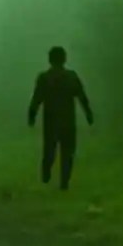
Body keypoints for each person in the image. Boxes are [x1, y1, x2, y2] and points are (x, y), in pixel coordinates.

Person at [28, 46, 94, 191]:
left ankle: (46, 172)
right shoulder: (71, 77)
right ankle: (64, 182)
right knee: (68, 152)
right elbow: (82, 97)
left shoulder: (44, 78)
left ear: (49, 59)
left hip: (50, 121)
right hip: (68, 120)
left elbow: (36, 98)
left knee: (49, 150)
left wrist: (32, 115)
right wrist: (88, 114)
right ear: (64, 59)